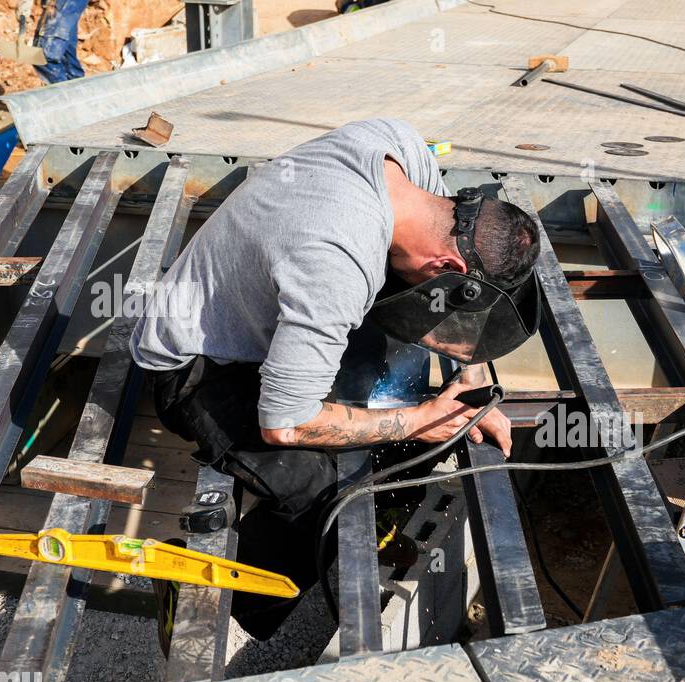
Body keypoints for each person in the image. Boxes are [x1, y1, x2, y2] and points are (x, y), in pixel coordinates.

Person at [130, 118, 541, 646]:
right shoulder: (337, 264)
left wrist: (473, 387)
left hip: (270, 310)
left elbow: (442, 305)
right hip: (198, 363)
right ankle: (212, 600)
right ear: (448, 262)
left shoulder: (397, 147)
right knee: (327, 495)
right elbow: (286, 423)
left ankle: (378, 511)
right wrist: (418, 422)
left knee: (394, 398)